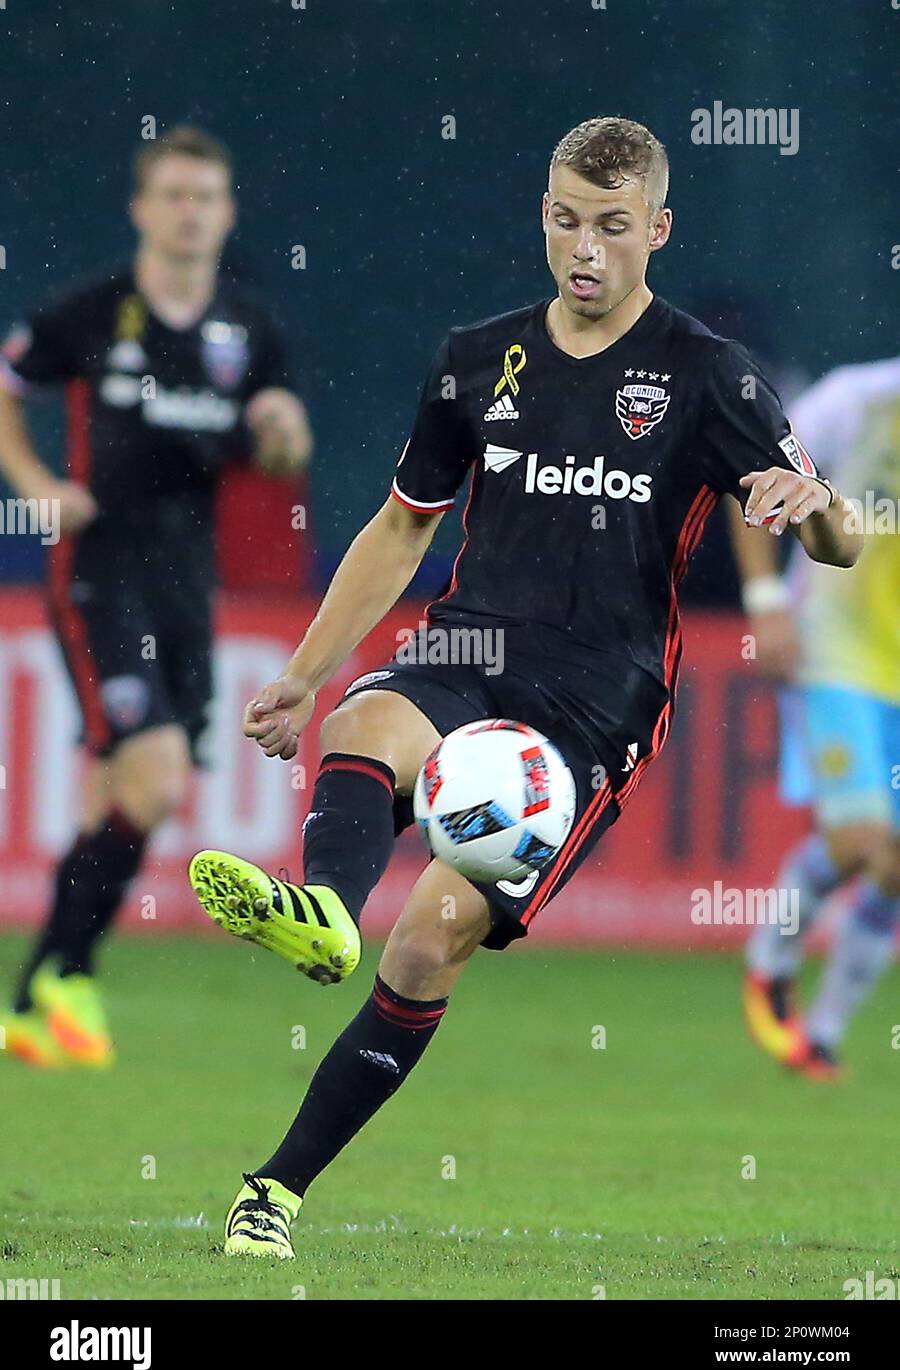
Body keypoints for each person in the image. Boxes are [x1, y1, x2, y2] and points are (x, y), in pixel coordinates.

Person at [187, 116, 861, 1259]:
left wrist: (820, 510)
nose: (583, 249)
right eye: (563, 221)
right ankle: (325, 917)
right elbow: (403, 527)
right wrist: (303, 674)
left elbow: (839, 540)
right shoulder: (475, 356)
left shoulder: (708, 374)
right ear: (541, 218)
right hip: (472, 645)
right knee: (364, 718)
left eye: (610, 227)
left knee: (431, 941)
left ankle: (276, 1189)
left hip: (599, 702)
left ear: (657, 228)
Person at [0, 125, 312, 1068]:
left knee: (118, 795)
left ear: (227, 211)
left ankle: (28, 1001)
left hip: (187, 583)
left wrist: (283, 432)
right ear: (142, 209)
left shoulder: (249, 330)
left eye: (205, 197)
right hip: (99, 573)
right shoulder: (91, 313)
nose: (189, 212)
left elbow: (281, 451)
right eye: (172, 195)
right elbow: (8, 385)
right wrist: (32, 484)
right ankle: (73, 976)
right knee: (159, 776)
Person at [733, 357, 899, 1078]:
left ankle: (824, 1032)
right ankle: (772, 954)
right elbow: (757, 482)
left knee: (895, 868)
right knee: (866, 845)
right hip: (838, 652)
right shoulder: (859, 398)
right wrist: (766, 604)